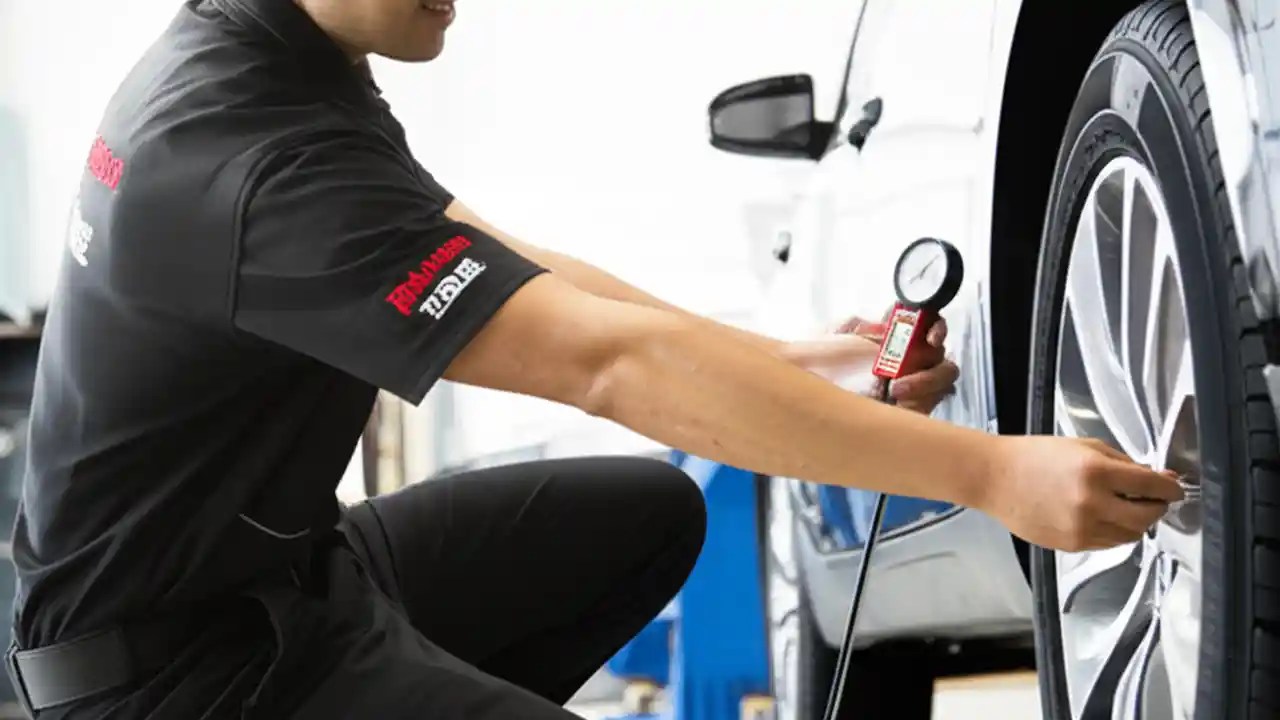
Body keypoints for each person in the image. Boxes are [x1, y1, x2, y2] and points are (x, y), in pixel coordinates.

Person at [6, 0, 1185, 717]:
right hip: (184, 687)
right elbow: (603, 368)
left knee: (644, 514)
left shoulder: (267, 55)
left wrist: (789, 359)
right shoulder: (250, 162)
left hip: (287, 584)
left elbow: (502, 259)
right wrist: (984, 475)